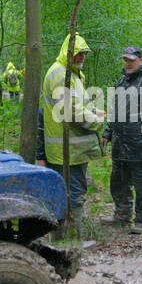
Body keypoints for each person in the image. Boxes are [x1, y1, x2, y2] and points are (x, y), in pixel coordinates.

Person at [40, 33, 105, 223]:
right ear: (68, 52)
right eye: (78, 53)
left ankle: (71, 227)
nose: (82, 57)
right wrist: (96, 121)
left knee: (74, 189)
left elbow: (78, 104)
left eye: (84, 53)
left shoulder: (74, 74)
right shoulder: (61, 74)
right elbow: (71, 111)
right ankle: (71, 232)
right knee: (72, 191)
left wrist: (94, 111)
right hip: (66, 149)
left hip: (73, 149)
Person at [103, 46, 142, 233]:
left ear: (141, 60)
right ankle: (122, 215)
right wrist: (108, 132)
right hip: (120, 142)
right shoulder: (121, 82)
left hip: (141, 143)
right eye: (125, 60)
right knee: (118, 181)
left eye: (131, 60)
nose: (128, 63)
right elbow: (115, 110)